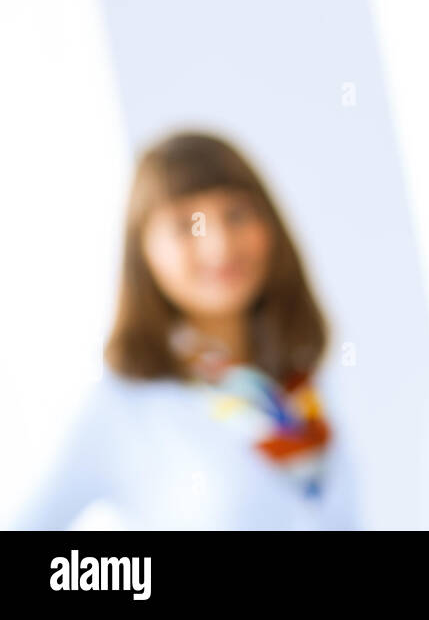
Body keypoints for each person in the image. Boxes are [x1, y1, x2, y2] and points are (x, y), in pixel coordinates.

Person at [12, 132, 359, 529]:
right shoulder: (121, 406)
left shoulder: (299, 387)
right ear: (143, 253)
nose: (219, 246)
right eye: (184, 226)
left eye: (235, 215)